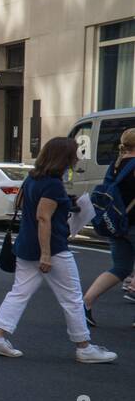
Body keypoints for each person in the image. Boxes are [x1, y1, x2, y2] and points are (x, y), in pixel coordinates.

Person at [0, 137, 116, 363]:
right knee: (72, 298)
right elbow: (43, 217)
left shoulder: (33, 178)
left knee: (19, 293)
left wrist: (65, 201)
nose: (77, 157)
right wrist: (46, 254)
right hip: (52, 248)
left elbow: (30, 208)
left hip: (26, 246)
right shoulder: (53, 184)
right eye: (75, 153)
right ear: (64, 157)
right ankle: (84, 347)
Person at [82, 127, 135, 326]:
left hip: (115, 224)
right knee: (122, 268)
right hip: (133, 224)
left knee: (120, 268)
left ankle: (85, 303)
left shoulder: (116, 164)